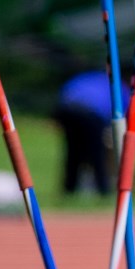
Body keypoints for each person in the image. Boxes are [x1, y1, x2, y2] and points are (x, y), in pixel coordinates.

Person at [54, 68, 115, 196]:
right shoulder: (115, 83)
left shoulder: (80, 78)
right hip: (92, 115)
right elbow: (132, 112)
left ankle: (69, 188)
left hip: (67, 112)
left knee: (73, 153)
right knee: (98, 153)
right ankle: (103, 189)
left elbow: (63, 95)